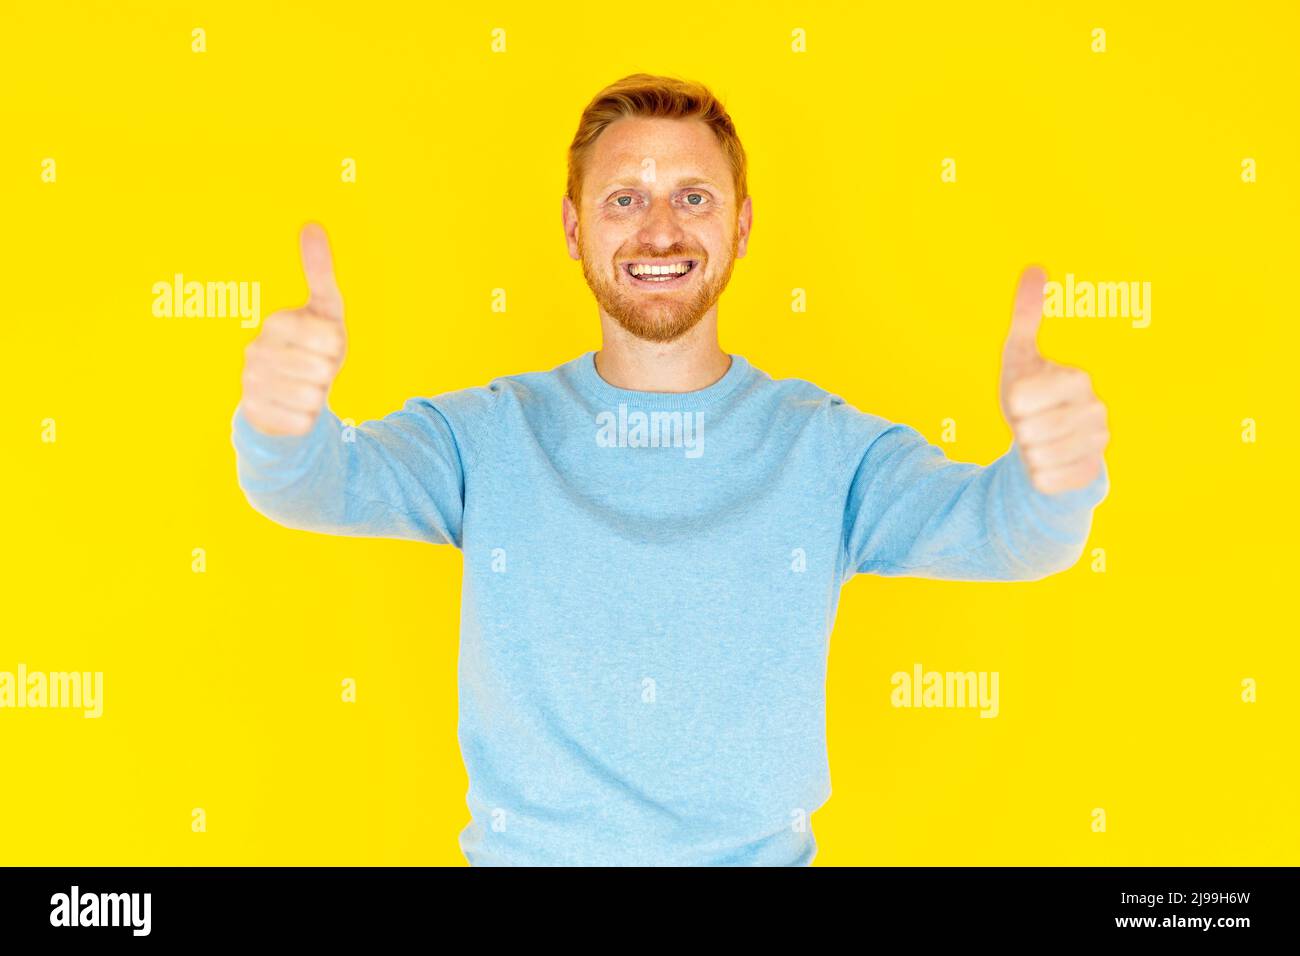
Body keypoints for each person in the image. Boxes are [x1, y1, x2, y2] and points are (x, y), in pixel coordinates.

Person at [231, 73, 1110, 866]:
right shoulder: (489, 436)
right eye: (624, 199)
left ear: (742, 223)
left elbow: (1009, 535)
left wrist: (1056, 475)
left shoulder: (825, 449)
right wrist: (281, 421)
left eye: (693, 196)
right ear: (574, 229)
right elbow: (313, 483)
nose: (660, 228)